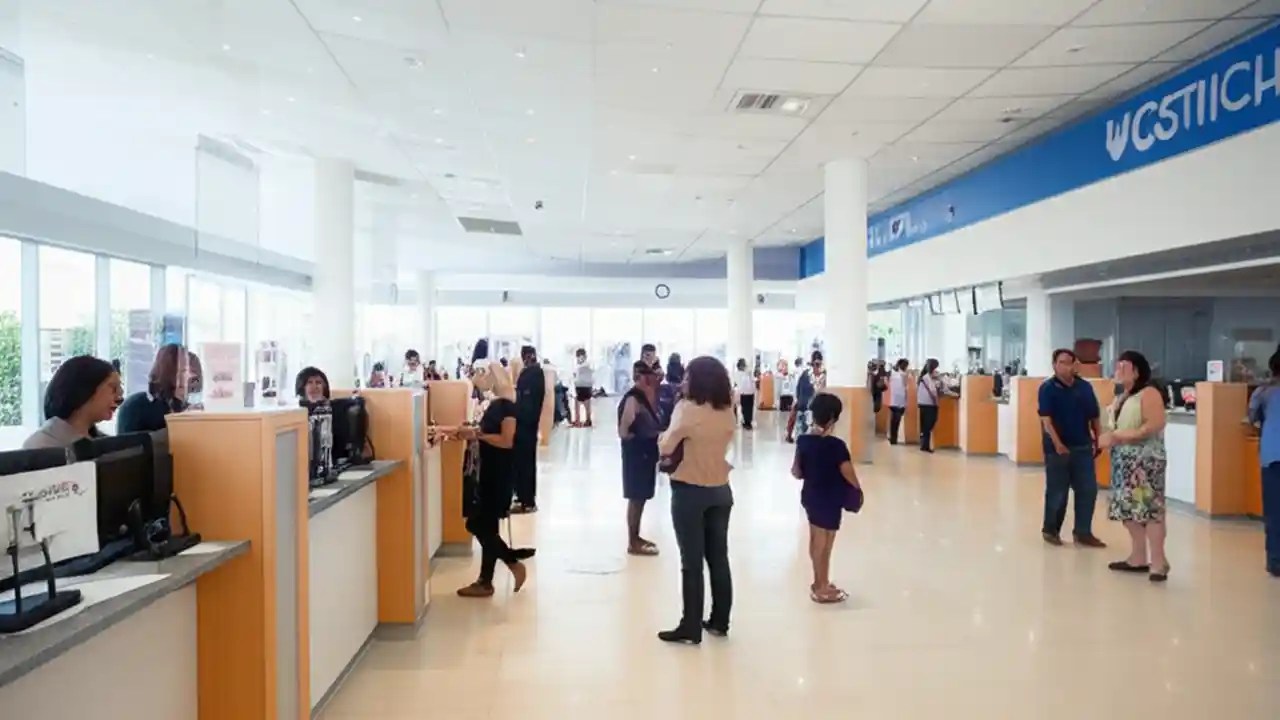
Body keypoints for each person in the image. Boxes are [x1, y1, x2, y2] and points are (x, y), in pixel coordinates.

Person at [656, 356, 736, 645]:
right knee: (718, 558)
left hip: (690, 489)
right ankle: (719, 620)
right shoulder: (728, 410)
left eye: (688, 375)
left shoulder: (687, 409)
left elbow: (667, 444)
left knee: (691, 561)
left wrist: (664, 436)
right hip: (721, 489)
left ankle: (690, 625)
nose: (684, 380)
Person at [449, 362, 531, 597]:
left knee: (476, 524)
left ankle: (513, 564)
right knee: (488, 527)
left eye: (480, 374)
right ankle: (485, 581)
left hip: (497, 475)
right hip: (490, 472)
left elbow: (506, 440)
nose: (476, 378)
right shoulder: (497, 404)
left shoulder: (506, 406)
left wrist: (478, 434)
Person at [1100, 350, 1169, 581]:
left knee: (1149, 511)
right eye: (1117, 366)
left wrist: (1122, 435)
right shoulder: (1122, 396)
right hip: (1123, 462)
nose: (1119, 370)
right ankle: (1138, 557)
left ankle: (1158, 563)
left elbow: (1155, 424)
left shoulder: (1149, 393)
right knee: (1127, 512)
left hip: (1145, 462)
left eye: (1124, 366)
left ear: (1138, 370)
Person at [792, 393, 862, 604]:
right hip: (831, 497)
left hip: (812, 495)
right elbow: (848, 472)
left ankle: (821, 581)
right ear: (833, 418)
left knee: (818, 539)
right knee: (825, 542)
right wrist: (858, 489)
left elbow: (796, 471)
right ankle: (820, 586)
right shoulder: (836, 446)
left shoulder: (803, 440)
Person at [1037, 349, 1107, 548]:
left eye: (1070, 362)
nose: (1067, 366)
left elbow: (1094, 415)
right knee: (1058, 492)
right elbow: (1046, 420)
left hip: (1082, 445)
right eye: (1062, 362)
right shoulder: (1048, 388)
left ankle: (1083, 532)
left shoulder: (1084, 387)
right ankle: (1051, 530)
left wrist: (1098, 437)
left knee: (1088, 490)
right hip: (1057, 449)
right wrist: (1058, 444)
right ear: (1054, 365)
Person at [24, 356, 122, 449]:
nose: (120, 398)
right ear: (85, 389)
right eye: (113, 388)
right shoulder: (40, 447)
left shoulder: (106, 444)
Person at [618, 361, 663, 556]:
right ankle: (632, 540)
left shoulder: (646, 397)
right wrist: (638, 441)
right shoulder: (633, 399)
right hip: (636, 454)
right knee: (636, 497)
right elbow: (623, 430)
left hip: (646, 452)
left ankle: (636, 536)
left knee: (642, 496)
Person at [1249, 344, 1280, 577]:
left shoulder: (1264, 392)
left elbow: (1253, 418)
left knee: (1274, 512)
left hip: (1273, 457)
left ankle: (1275, 561)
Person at [116, 343, 192, 434]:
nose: (189, 376)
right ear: (171, 373)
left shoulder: (135, 404)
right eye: (184, 371)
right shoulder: (141, 408)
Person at [511, 345, 546, 513]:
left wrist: (513, 412)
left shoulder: (530, 374)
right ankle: (525, 498)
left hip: (525, 426)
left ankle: (527, 500)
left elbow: (525, 403)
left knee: (524, 463)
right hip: (530, 426)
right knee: (526, 463)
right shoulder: (537, 373)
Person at [916, 358, 943, 453]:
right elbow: (933, 390)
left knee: (925, 425)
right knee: (928, 424)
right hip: (929, 403)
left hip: (923, 403)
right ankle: (925, 445)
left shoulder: (923, 376)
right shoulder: (927, 377)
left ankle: (924, 444)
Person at [887, 358, 910, 445]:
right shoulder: (902, 374)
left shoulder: (893, 373)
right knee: (896, 420)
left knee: (894, 421)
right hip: (898, 401)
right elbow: (905, 387)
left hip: (895, 400)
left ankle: (893, 438)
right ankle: (894, 438)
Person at [572, 348, 595, 428]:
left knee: (580, 402)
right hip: (586, 386)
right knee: (586, 403)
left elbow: (577, 374)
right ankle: (586, 420)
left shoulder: (584, 365)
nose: (578, 358)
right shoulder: (587, 364)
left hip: (582, 386)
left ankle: (579, 421)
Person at [733, 358, 755, 430]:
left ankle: (747, 422)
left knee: (746, 408)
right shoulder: (742, 373)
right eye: (743, 365)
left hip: (746, 393)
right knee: (747, 408)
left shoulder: (745, 373)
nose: (744, 366)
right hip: (746, 393)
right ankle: (747, 422)